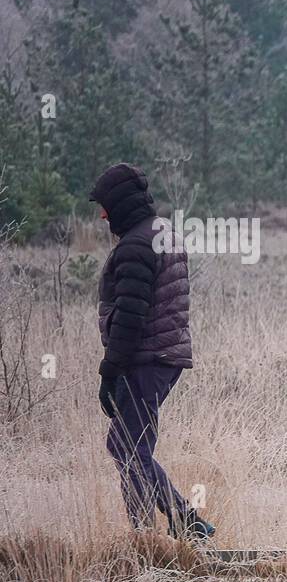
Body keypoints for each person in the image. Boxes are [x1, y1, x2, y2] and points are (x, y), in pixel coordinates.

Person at [91, 162, 214, 540]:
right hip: (163, 356)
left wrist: (110, 370)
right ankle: (178, 523)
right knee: (126, 445)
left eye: (105, 206)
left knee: (130, 448)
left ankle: (151, 538)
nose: (101, 215)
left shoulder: (136, 245)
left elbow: (130, 315)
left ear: (120, 205)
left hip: (144, 360)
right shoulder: (162, 233)